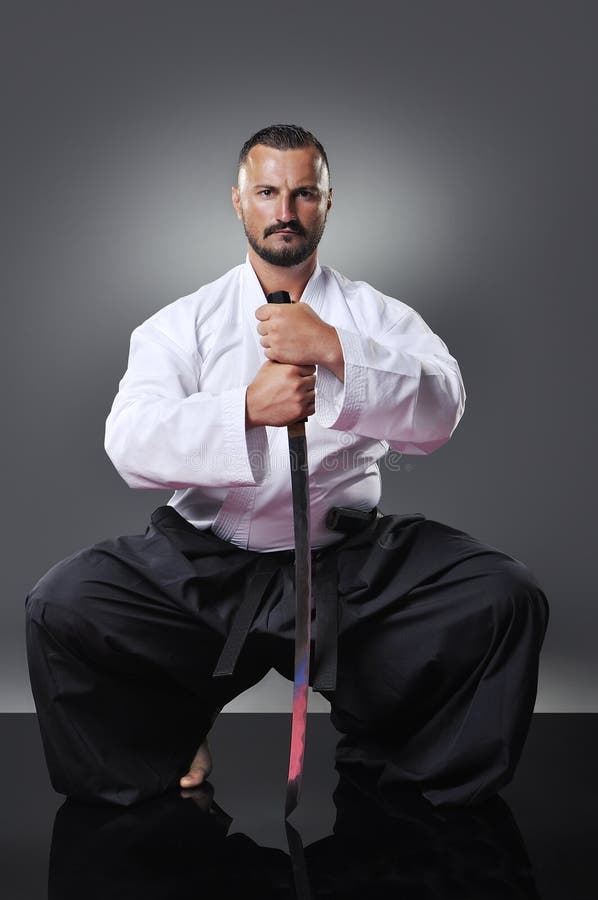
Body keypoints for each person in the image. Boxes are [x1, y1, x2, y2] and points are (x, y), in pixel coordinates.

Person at [25, 124, 548, 808]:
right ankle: (158, 740)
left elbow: (440, 412)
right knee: (62, 605)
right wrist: (243, 408)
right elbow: (130, 442)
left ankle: (403, 760)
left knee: (503, 597)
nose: (285, 211)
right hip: (204, 565)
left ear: (329, 203)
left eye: (304, 193)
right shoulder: (181, 323)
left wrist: (335, 350)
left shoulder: (376, 316)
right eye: (268, 192)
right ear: (237, 201)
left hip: (347, 563)